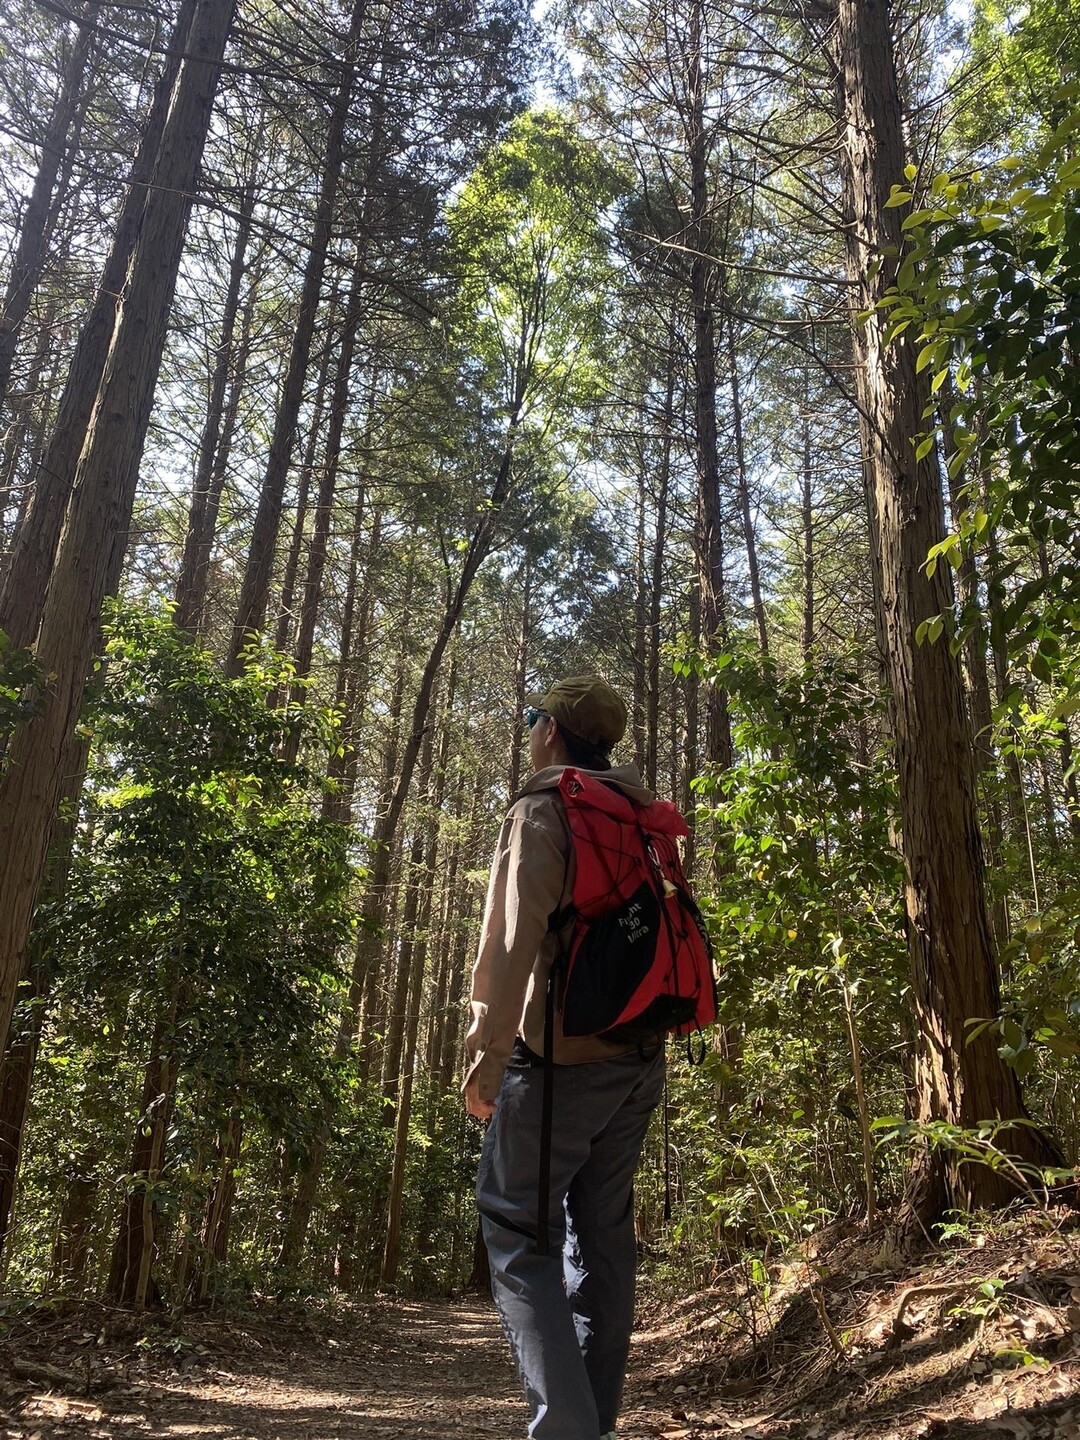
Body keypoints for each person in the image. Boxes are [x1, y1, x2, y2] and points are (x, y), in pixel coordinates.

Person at [463, 675, 665, 1440]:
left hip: (561, 1064)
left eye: (532, 718)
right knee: (602, 1233)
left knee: (518, 1231)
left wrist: (486, 1059)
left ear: (550, 730)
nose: (530, 729)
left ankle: (569, 1432)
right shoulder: (637, 813)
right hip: (640, 1058)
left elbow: (509, 943)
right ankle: (590, 1424)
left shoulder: (545, 809)